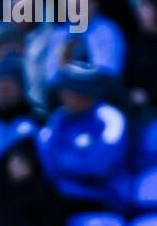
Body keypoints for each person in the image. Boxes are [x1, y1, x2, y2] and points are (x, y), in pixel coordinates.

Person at [36, 63, 127, 212]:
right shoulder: (59, 118)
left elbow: (98, 167)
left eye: (69, 93)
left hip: (101, 195)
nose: (64, 98)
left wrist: (64, 162)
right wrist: (74, 162)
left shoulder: (110, 118)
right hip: (61, 191)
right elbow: (47, 161)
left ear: (85, 94)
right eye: (63, 93)